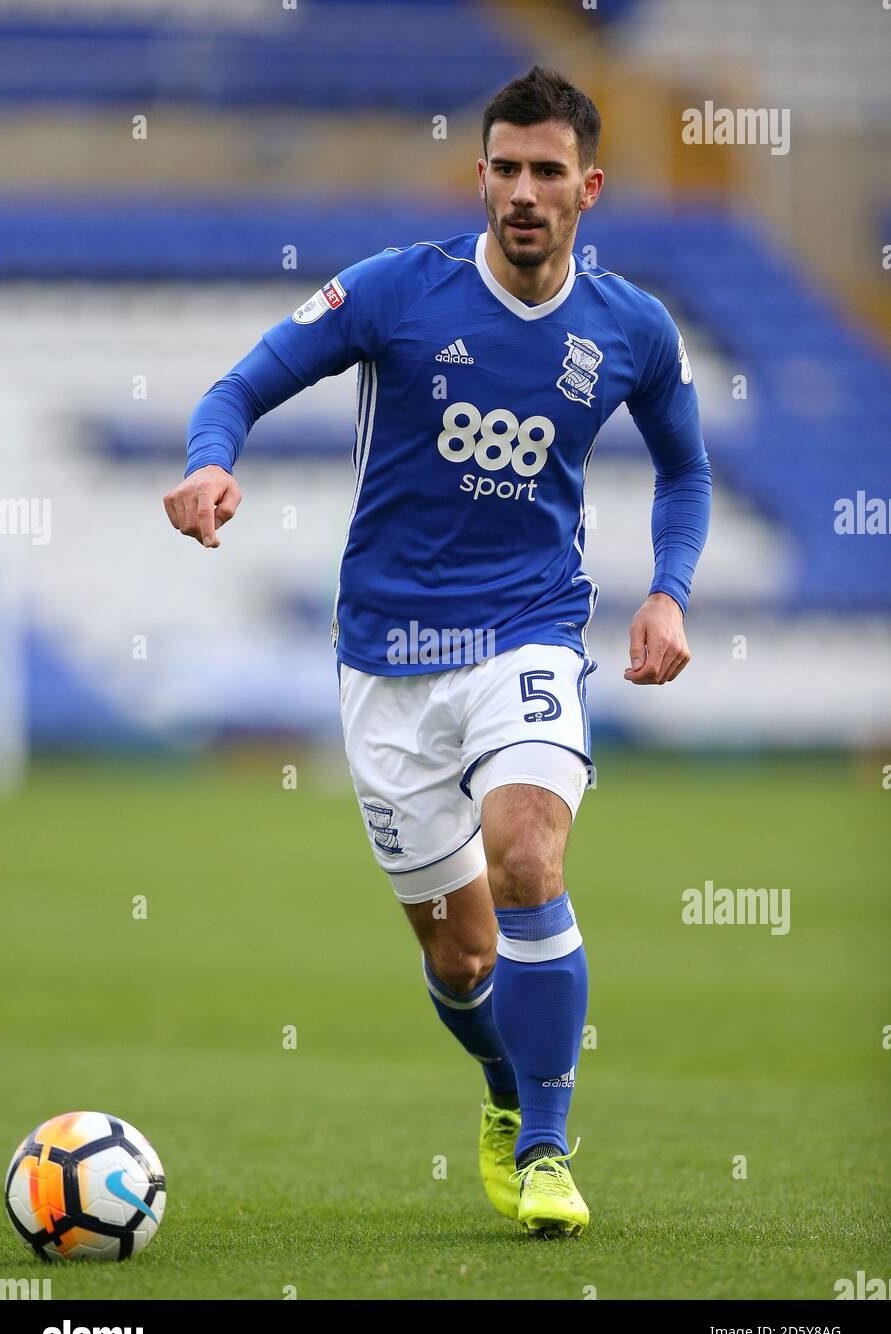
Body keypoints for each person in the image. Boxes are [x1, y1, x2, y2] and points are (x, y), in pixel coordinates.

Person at [164, 65, 711, 1237]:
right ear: (479, 177)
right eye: (503, 168)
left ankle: (552, 1148)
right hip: (384, 659)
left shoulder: (630, 329)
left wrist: (666, 592)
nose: (521, 191)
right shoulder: (395, 292)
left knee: (525, 857)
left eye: (546, 172)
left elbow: (685, 466)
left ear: (588, 189)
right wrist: (215, 459)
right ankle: (506, 1087)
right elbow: (241, 383)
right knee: (463, 958)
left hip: (524, 631)